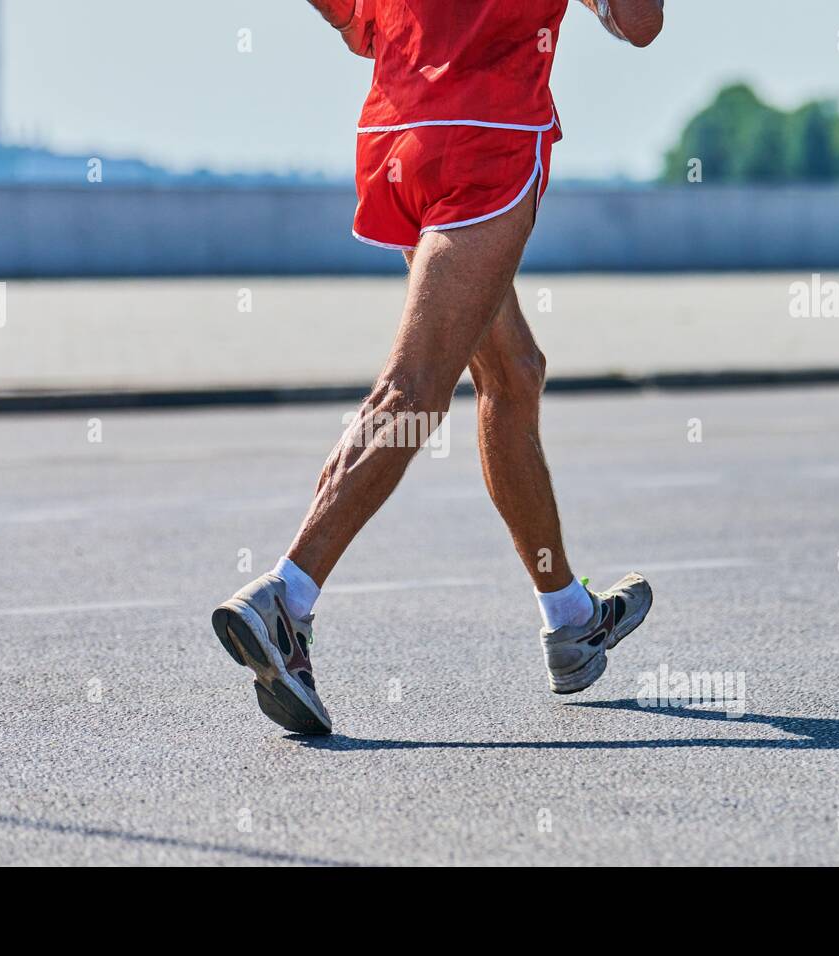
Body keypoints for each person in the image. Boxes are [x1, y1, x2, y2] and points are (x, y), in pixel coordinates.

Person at [211, 0, 665, 734]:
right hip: (486, 146)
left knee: (514, 373)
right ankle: (286, 598)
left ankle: (570, 619)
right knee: (412, 392)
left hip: (396, 140)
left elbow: (358, 26)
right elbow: (639, 24)